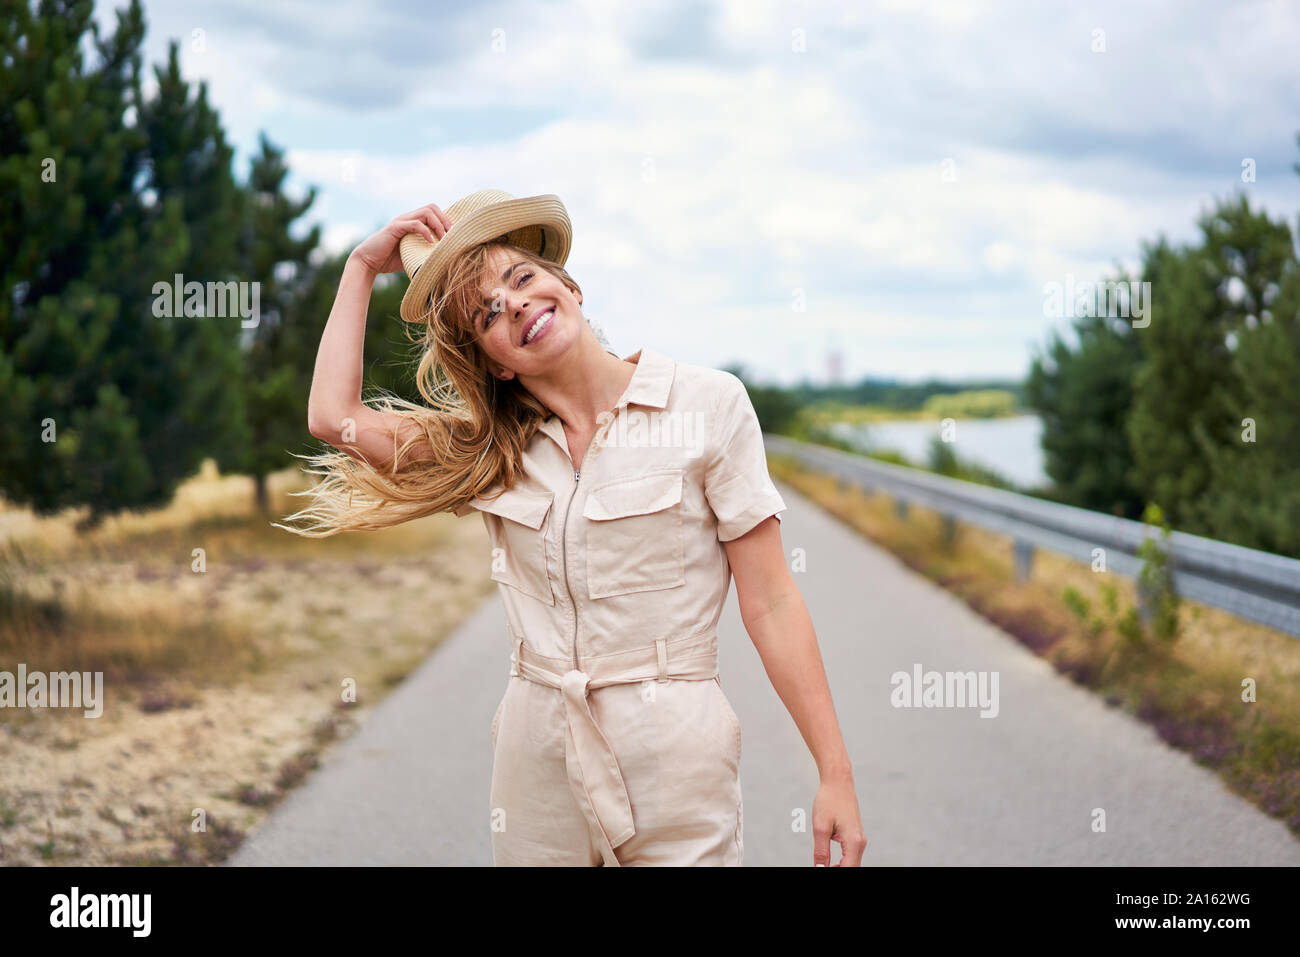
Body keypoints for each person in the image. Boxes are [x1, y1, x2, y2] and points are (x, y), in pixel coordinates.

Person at [284, 189, 866, 866]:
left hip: (677, 764)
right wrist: (360, 266)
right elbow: (332, 416)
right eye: (488, 313)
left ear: (571, 286)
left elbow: (771, 603)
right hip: (536, 767)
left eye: (522, 277)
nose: (516, 304)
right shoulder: (489, 453)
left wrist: (835, 771)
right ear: (495, 359)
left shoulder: (708, 405)